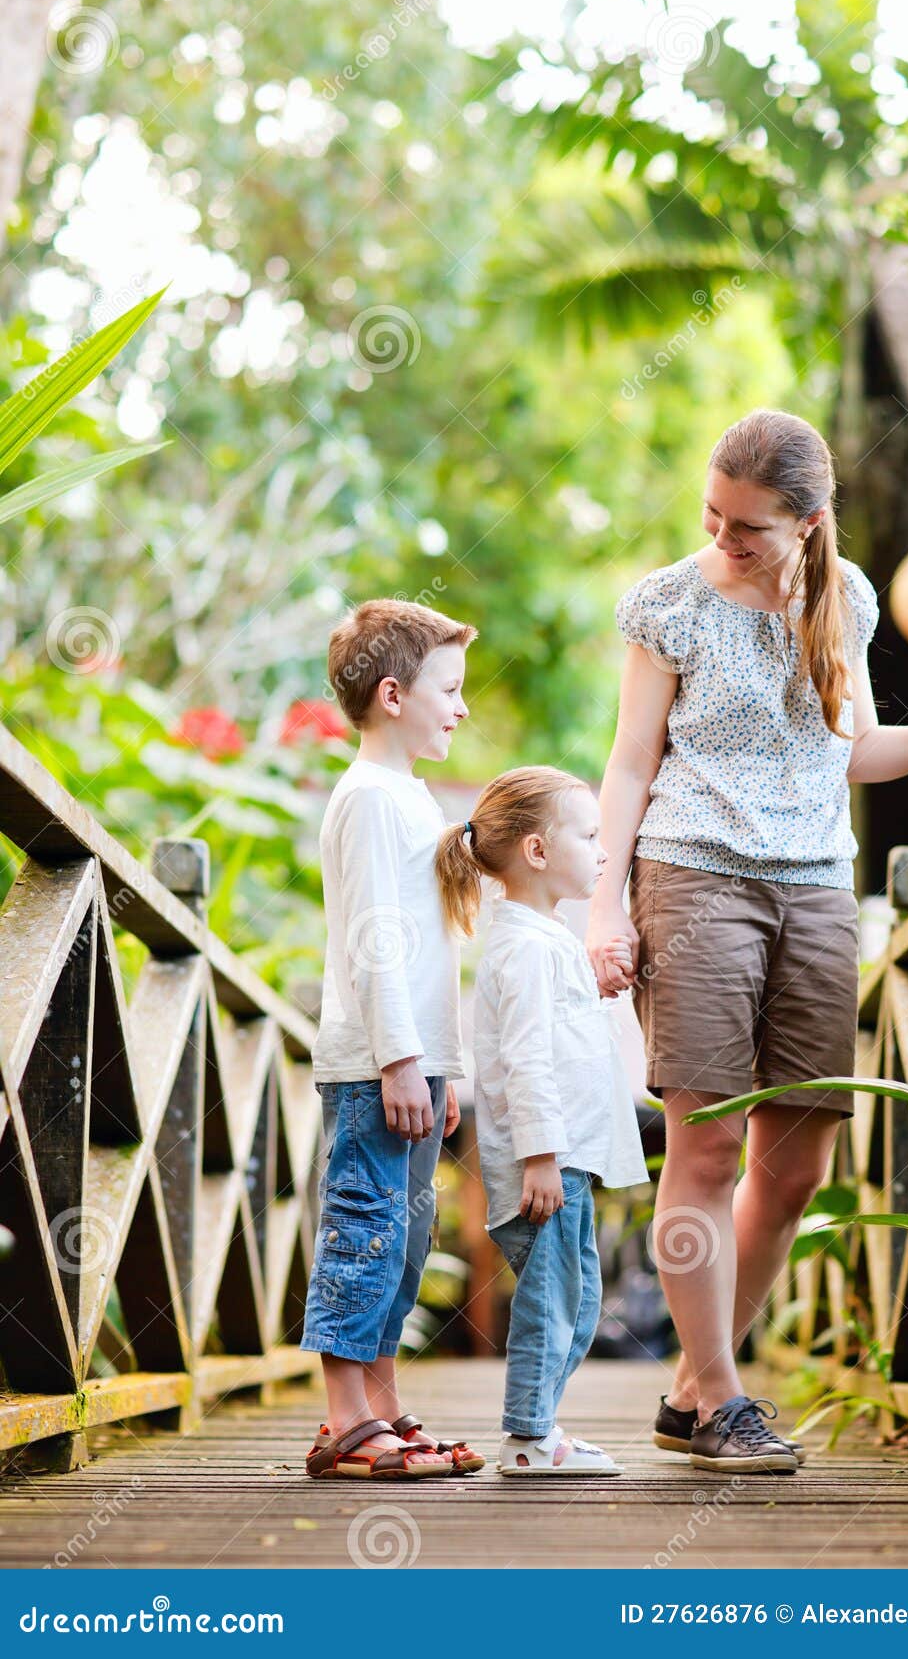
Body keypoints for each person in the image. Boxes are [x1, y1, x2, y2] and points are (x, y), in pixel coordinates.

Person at [586, 407, 908, 1475]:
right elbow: (626, 764)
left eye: (748, 526)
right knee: (705, 1149)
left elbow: (850, 749)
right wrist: (604, 904)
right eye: (713, 515)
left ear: (808, 522)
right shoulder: (667, 602)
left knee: (794, 1166)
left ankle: (694, 1389)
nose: (724, 539)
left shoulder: (846, 595)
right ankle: (724, 1401)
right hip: (692, 875)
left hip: (816, 887)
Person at [302, 597, 486, 1481]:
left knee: (405, 1240)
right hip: (377, 1065)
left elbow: (429, 945)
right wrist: (401, 1062)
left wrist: (443, 1069)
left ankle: (380, 1404)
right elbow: (374, 941)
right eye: (447, 690)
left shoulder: (408, 797)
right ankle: (344, 1420)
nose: (459, 706)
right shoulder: (371, 799)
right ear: (390, 695)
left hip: (413, 1064)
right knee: (365, 1228)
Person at [436, 766, 649, 1475]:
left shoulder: (541, 936)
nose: (602, 850)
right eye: (587, 836)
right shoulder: (524, 946)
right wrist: (539, 1157)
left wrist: (591, 982)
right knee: (554, 1301)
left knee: (579, 1299)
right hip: (545, 1165)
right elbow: (525, 1059)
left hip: (567, 1159)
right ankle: (527, 1437)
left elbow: (555, 1025)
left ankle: (542, 1429)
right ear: (535, 851)